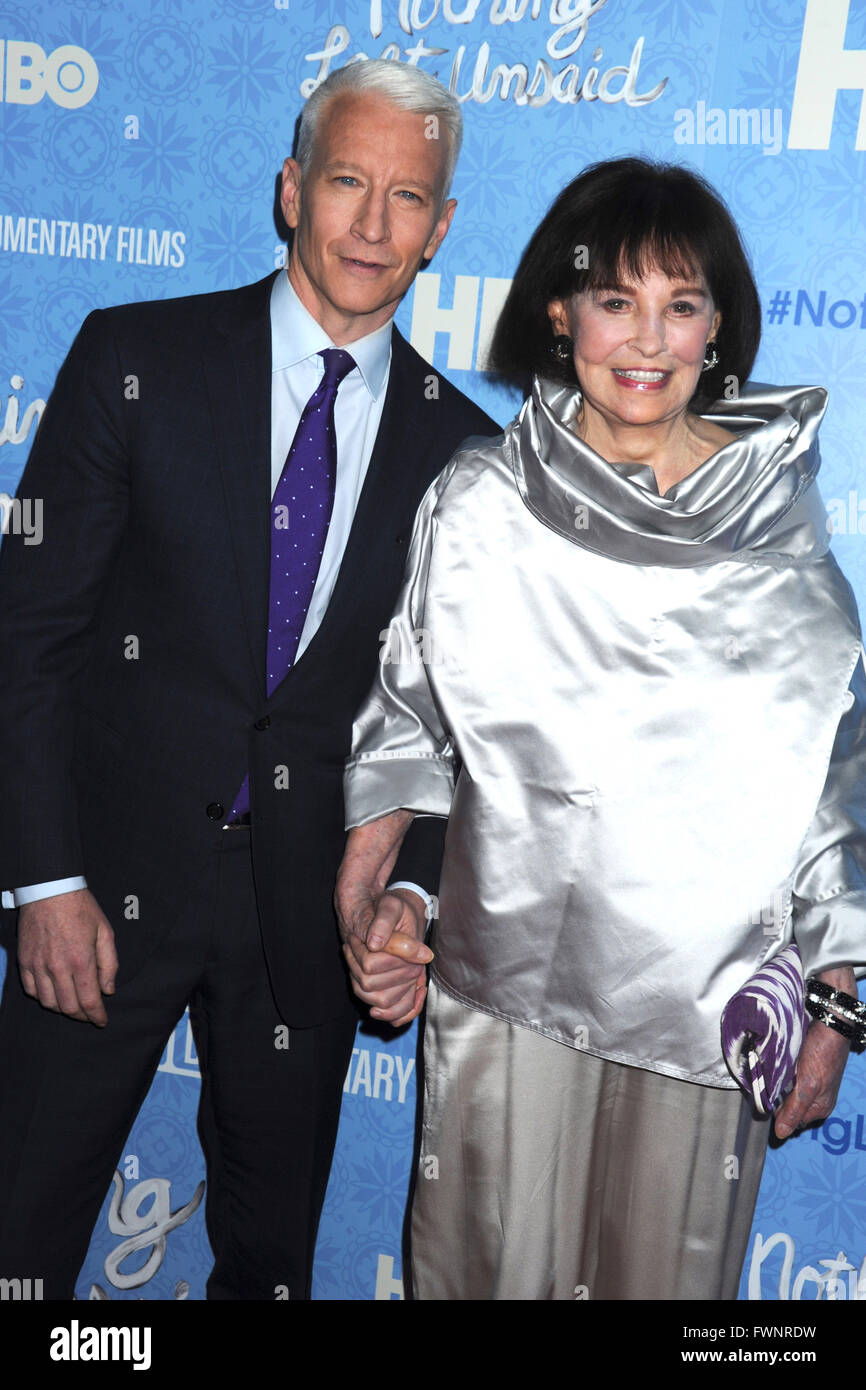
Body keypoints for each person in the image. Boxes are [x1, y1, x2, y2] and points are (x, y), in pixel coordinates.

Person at [0, 59, 499, 1301]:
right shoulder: (135, 357)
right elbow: (28, 630)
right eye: (345, 182)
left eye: (407, 198)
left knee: (270, 1263)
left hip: (305, 920)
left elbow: (454, 728)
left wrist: (413, 899)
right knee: (16, 1237)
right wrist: (46, 879)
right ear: (290, 191)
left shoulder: (466, 457)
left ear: (442, 230)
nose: (372, 226)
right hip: (94, 892)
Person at [335, 157, 866, 1300]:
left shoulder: (774, 530)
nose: (645, 340)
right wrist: (383, 894)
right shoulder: (477, 503)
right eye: (615, 299)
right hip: (502, 993)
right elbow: (410, 726)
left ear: (718, 328)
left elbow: (831, 788)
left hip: (708, 1012)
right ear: (558, 310)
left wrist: (831, 1009)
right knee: (486, 1278)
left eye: (681, 306)